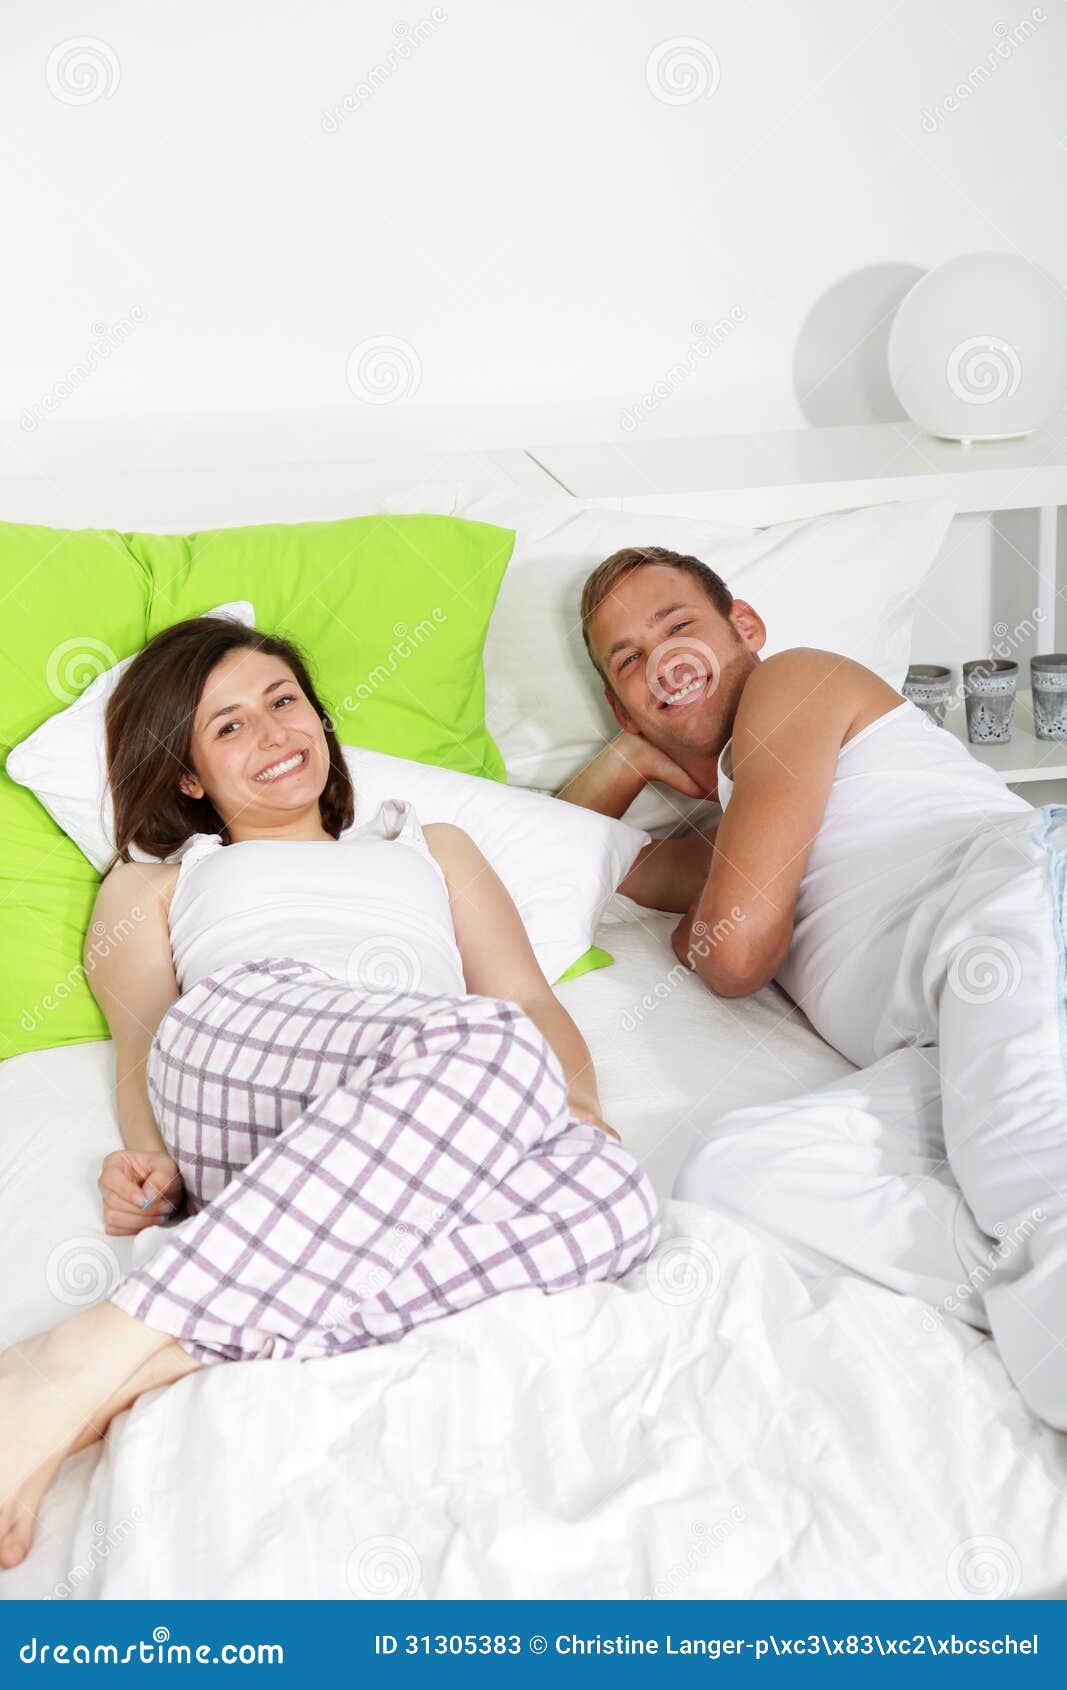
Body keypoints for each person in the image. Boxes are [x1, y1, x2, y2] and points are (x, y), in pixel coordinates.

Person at [0, 616, 658, 1569]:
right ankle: (83, 1350)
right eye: (228, 727)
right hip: (244, 1044)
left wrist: (581, 1109)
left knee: (614, 1198)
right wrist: (150, 1161)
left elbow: (526, 998)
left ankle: (124, 1371)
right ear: (188, 777)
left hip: (422, 1112)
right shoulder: (157, 881)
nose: (273, 733)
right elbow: (143, 1047)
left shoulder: (432, 847)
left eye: (283, 702)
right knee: (493, 1045)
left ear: (318, 717)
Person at [562, 543, 1067, 1431]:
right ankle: (1031, 1284)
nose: (661, 661)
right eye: (627, 661)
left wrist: (713, 922)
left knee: (1028, 1181)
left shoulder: (794, 681)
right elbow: (557, 861)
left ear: (744, 628)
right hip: (943, 1036)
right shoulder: (739, 834)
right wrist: (625, 762)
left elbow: (734, 954)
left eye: (677, 626)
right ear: (619, 704)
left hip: (1014, 906)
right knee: (736, 1179)